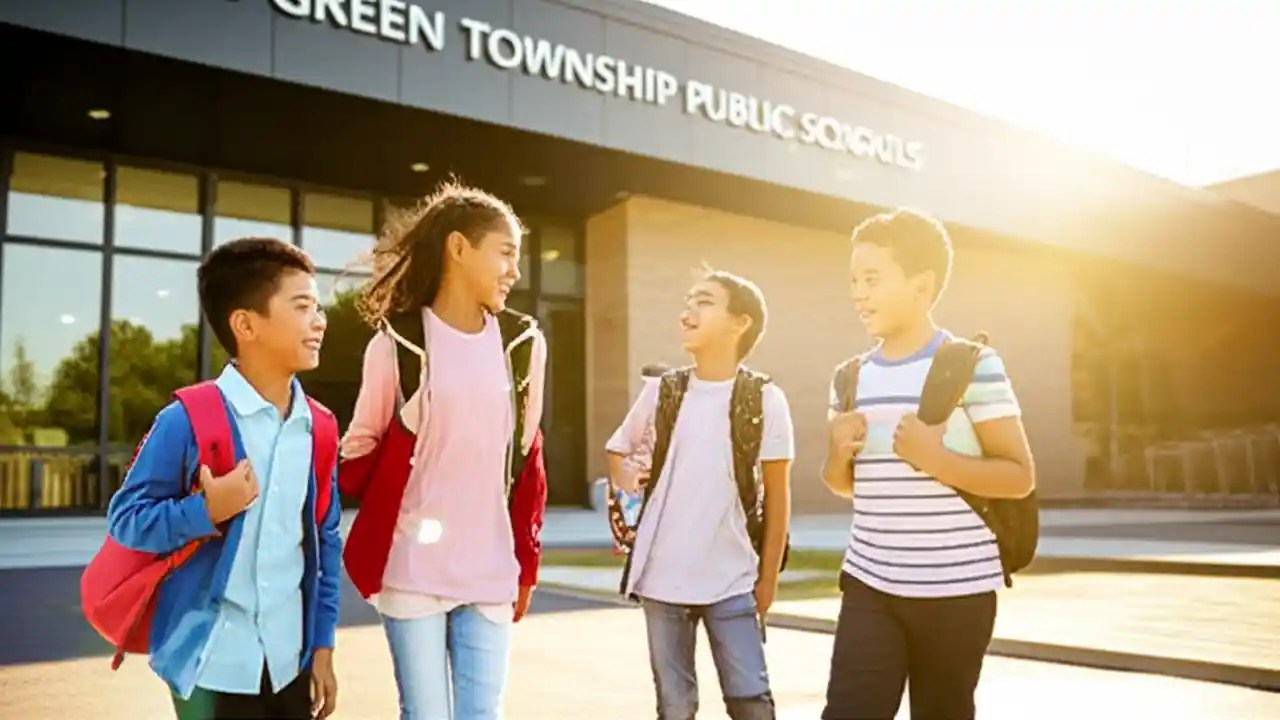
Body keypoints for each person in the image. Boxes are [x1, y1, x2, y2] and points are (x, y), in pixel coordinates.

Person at [106, 237, 342, 720]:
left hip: (288, 660)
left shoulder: (319, 427)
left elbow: (324, 540)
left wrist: (322, 644)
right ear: (245, 324)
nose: (320, 321)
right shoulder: (187, 419)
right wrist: (206, 511)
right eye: (302, 307)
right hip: (210, 663)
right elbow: (127, 520)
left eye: (318, 307)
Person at [338, 180, 548, 720]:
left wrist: (526, 567)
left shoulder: (522, 346)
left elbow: (527, 466)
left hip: (489, 569)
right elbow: (352, 470)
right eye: (505, 253)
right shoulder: (396, 345)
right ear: (458, 247)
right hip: (412, 569)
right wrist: (404, 432)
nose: (514, 272)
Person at [820, 209, 1036, 720]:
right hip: (870, 583)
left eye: (872, 279)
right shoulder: (848, 377)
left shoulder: (973, 366)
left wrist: (936, 459)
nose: (858, 293)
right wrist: (835, 455)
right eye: (853, 280)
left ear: (922, 286)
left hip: (957, 590)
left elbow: (1019, 476)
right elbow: (844, 486)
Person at [606, 268, 794, 720]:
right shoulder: (663, 391)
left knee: (752, 702)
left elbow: (779, 498)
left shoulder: (765, 399)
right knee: (676, 707)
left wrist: (767, 580)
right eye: (688, 300)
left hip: (733, 579)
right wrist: (629, 477)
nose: (687, 311)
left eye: (704, 301)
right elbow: (617, 451)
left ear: (739, 322)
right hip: (661, 577)